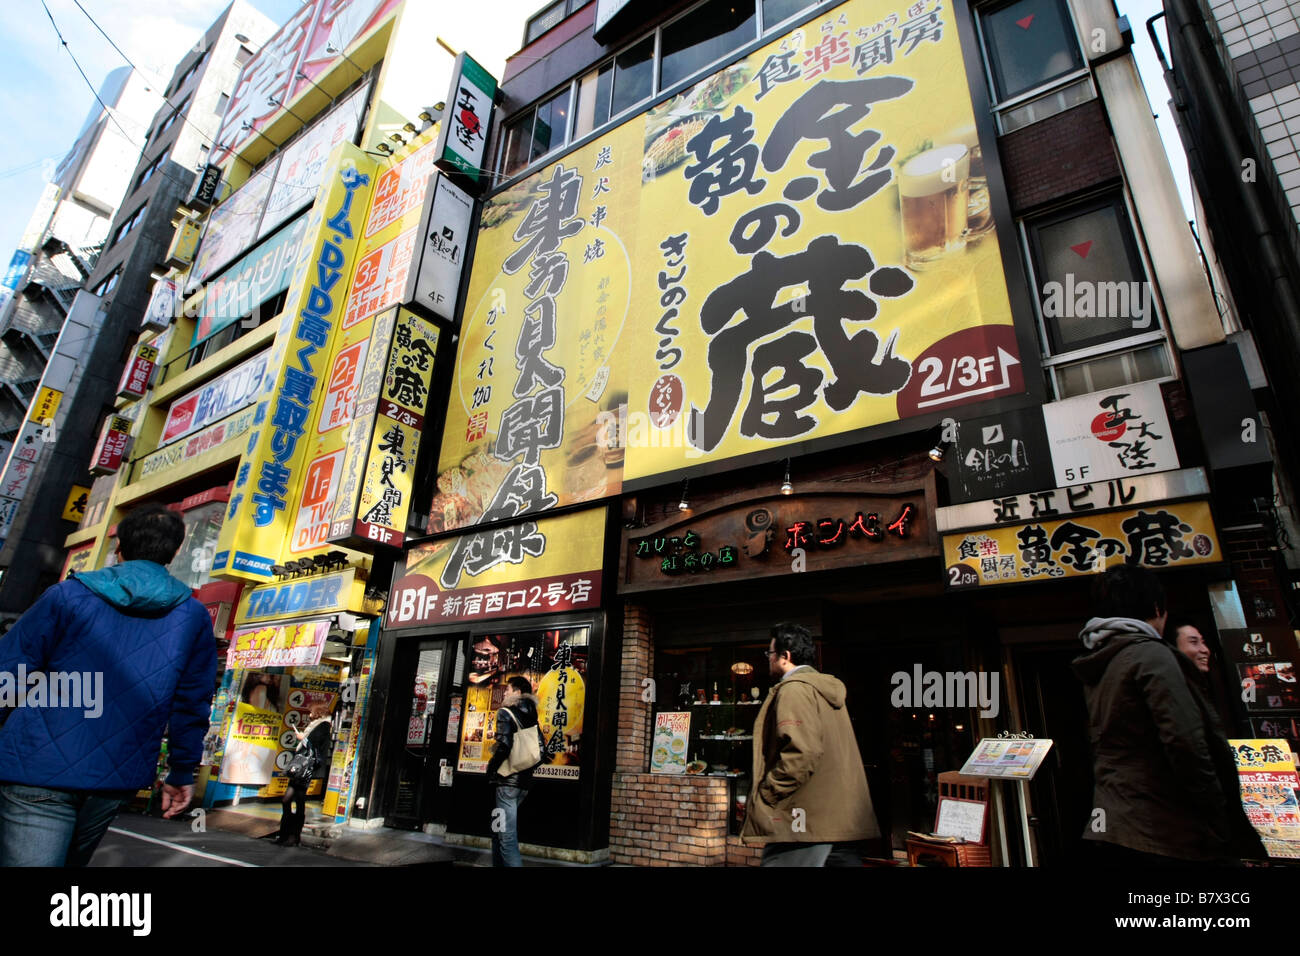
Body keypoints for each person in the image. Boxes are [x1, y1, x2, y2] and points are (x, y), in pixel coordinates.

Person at [0, 503, 216, 866]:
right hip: (114, 775)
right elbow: (192, 703)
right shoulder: (193, 616)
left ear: (119, 546)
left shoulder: (67, 596)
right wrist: (181, 771)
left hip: (34, 765)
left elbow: (9, 673)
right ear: (176, 551)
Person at [1073, 565, 1263, 864]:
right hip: (1163, 827)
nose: (1205, 650)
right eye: (1195, 642)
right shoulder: (1151, 655)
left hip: (1118, 820)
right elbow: (1186, 741)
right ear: (1157, 607)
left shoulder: (1104, 661)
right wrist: (1219, 817)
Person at [740, 623, 880, 866]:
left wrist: (768, 792)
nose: (768, 660)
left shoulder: (794, 690)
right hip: (836, 820)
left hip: (803, 820)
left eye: (770, 654)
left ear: (786, 656)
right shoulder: (824, 690)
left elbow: (802, 753)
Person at [485, 675, 540, 867]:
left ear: (517, 692)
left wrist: (491, 769)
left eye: (508, 689)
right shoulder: (532, 716)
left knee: (506, 836)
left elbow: (504, 745)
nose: (505, 691)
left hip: (506, 784)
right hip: (523, 783)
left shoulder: (506, 712)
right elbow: (542, 750)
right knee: (497, 830)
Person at [276, 701, 334, 847]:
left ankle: (293, 836)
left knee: (296, 800)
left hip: (306, 768)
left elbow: (316, 747)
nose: (309, 715)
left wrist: (304, 739)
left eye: (311, 712)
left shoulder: (324, 725)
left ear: (318, 712)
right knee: (290, 799)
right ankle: (286, 835)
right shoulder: (316, 725)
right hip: (301, 767)